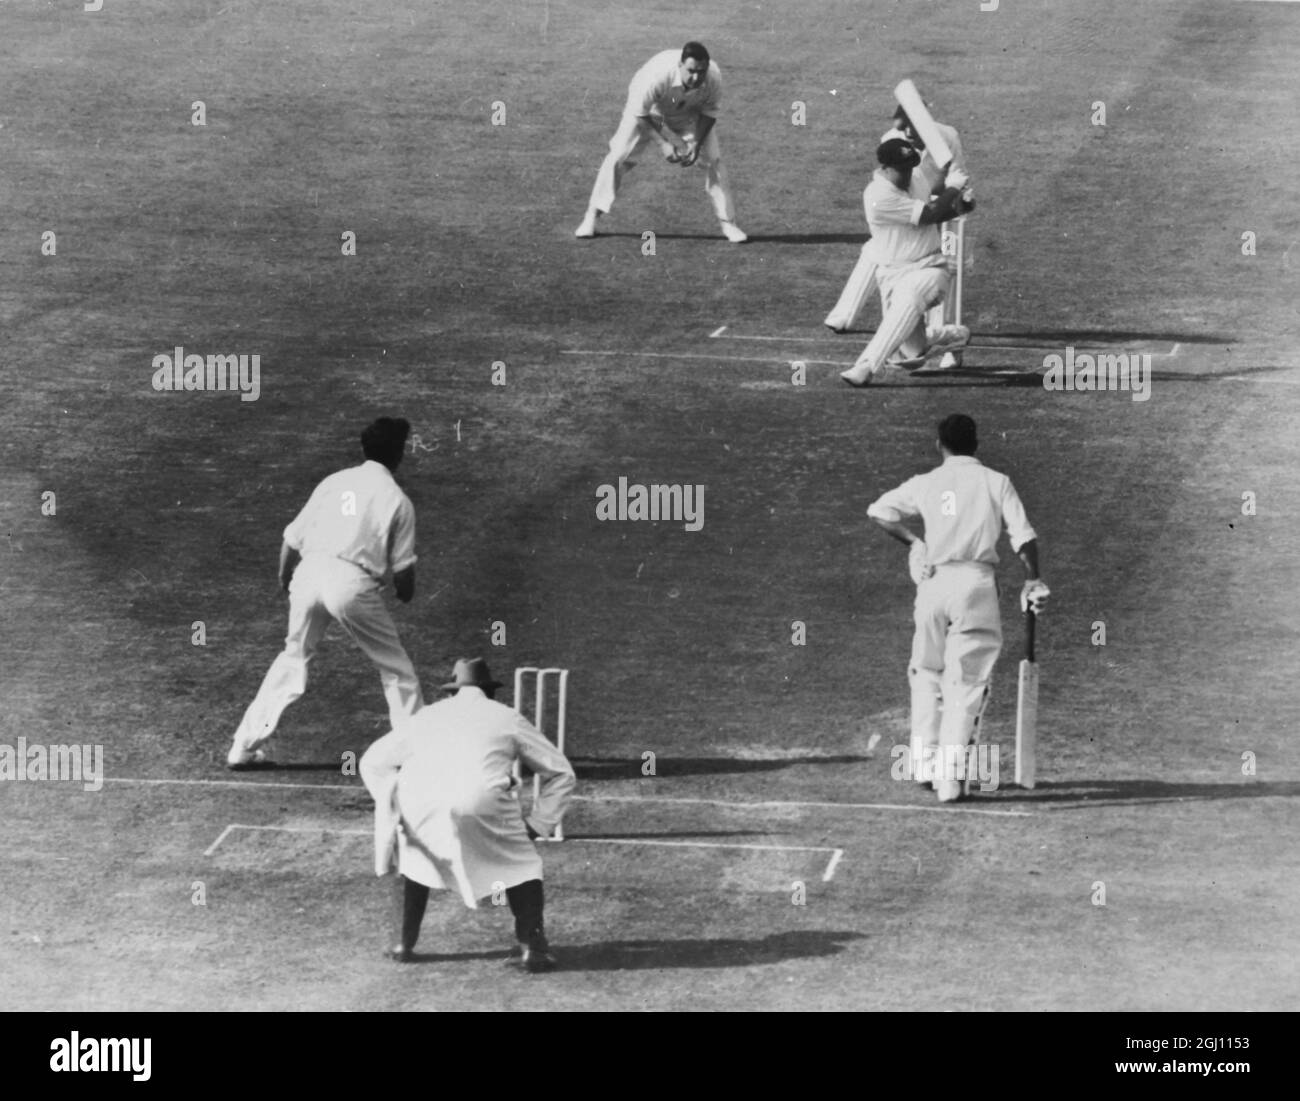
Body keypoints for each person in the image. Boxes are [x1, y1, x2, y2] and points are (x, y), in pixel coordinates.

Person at [865, 415, 1050, 802]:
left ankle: (923, 763)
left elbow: (879, 511)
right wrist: (1032, 577)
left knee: (926, 671)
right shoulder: (996, 482)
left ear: (939, 445)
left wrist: (916, 543)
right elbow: (1023, 535)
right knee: (966, 685)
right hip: (974, 585)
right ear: (977, 443)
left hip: (932, 586)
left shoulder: (926, 482)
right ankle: (950, 781)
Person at [226, 417, 423, 769]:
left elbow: (291, 540)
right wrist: (405, 593)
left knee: (292, 658)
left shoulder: (334, 482)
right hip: (351, 585)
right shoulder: (399, 500)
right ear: (398, 455)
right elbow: (404, 574)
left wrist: (287, 579)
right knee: (397, 670)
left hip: (309, 574)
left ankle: (242, 748)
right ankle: (415, 755)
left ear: (364, 449)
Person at [360, 658, 576, 972]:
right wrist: (537, 824)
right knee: (523, 865)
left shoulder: (426, 716)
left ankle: (402, 943)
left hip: (420, 803)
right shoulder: (507, 717)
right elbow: (562, 773)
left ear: (451, 692)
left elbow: (371, 761)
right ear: (489, 692)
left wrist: (392, 804)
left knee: (413, 860)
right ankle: (534, 948)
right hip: (482, 805)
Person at [825, 103, 971, 374]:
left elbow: (957, 176)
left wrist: (959, 199)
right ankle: (845, 315)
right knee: (911, 356)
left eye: (913, 128)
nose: (907, 133)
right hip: (911, 210)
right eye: (903, 128)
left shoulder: (948, 136)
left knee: (933, 276)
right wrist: (944, 195)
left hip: (939, 212)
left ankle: (871, 364)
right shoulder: (890, 154)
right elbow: (912, 197)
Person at [574, 41, 748, 243]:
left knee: (714, 161)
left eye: (701, 71)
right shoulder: (656, 76)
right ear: (680, 66)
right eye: (691, 71)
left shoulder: (713, 77)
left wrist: (696, 144)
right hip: (651, 111)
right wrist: (664, 143)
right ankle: (590, 217)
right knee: (619, 157)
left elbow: (709, 113)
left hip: (688, 111)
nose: (696, 77)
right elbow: (640, 113)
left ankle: (729, 224)